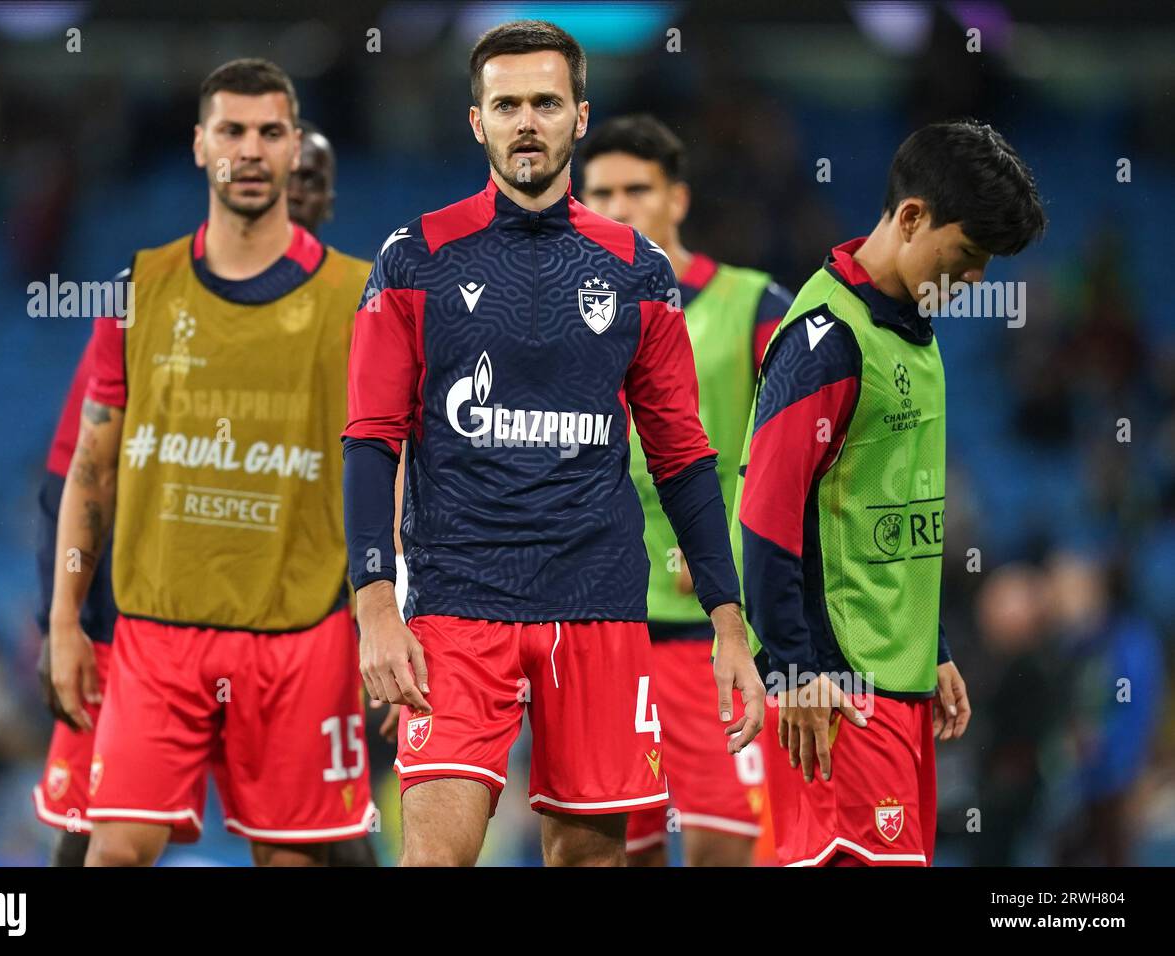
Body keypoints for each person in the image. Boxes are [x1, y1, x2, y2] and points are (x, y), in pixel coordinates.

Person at [342, 19, 765, 867]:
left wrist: (729, 623)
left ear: (579, 116)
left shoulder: (639, 271)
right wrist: (375, 604)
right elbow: (370, 440)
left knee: (593, 862)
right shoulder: (413, 257)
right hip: (458, 606)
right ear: (477, 122)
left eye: (544, 102)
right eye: (506, 105)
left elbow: (682, 455)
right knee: (434, 860)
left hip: (600, 608)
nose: (525, 121)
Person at [49, 58, 375, 867]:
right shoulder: (139, 288)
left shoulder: (360, 299)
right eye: (232, 130)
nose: (252, 150)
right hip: (157, 632)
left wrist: (392, 618)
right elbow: (92, 469)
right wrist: (63, 619)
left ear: (297, 146)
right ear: (199, 145)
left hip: (300, 631)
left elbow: (399, 475)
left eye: (271, 131)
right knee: (110, 850)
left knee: (295, 859)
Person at [736, 119, 1045, 866]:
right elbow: (765, 516)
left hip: (894, 688)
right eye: (967, 255)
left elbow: (896, 516)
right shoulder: (825, 341)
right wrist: (794, 669)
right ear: (911, 218)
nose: (974, 281)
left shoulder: (914, 332)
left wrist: (928, 647)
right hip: (838, 692)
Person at [579, 113, 792, 867]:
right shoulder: (554, 320)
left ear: (678, 199)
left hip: (716, 632)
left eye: (638, 188)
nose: (618, 205)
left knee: (726, 843)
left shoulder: (756, 306)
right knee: (617, 846)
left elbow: (808, 449)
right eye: (599, 190)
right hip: (600, 630)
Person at [31, 340, 118, 866]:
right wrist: (59, 623)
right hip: (117, 626)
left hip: (276, 619)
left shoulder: (322, 308)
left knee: (314, 829)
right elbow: (70, 476)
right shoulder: (135, 308)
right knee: (83, 828)